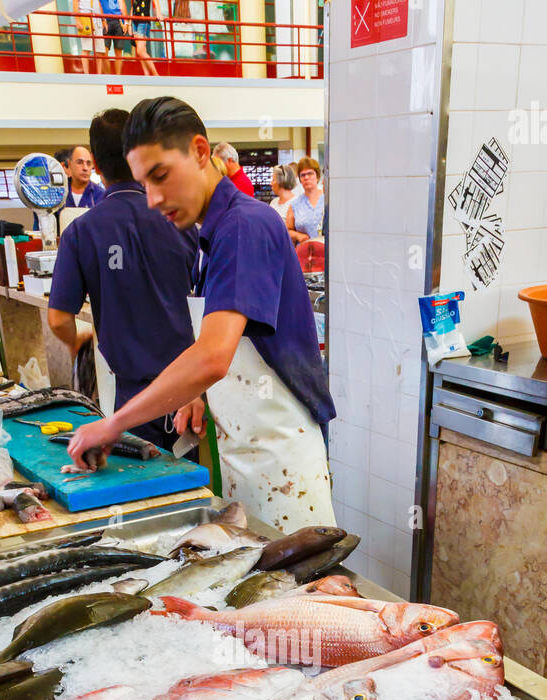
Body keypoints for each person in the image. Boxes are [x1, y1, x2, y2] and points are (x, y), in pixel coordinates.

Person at [66, 96, 336, 530]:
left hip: (282, 460)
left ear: (199, 151)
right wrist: (200, 394)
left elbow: (213, 355)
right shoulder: (208, 235)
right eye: (143, 183)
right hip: (243, 453)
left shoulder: (244, 225)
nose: (152, 199)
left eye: (160, 176)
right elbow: (236, 342)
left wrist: (113, 424)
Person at [48, 108, 198, 452]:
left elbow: (58, 320)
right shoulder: (182, 220)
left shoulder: (81, 232)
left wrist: (78, 343)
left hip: (133, 399)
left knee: (147, 494)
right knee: (196, 490)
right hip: (191, 391)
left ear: (96, 166)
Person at [286, 157, 324, 246]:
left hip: (325, 253)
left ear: (317, 177)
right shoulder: (295, 205)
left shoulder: (327, 200)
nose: (306, 177)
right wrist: (297, 235)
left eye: (310, 174)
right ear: (299, 179)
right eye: (302, 175)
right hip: (304, 254)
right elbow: (287, 230)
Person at [123, 0, 159, 76]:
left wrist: (158, 13)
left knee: (140, 51)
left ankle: (156, 74)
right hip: (134, 21)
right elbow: (133, 6)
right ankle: (146, 74)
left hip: (144, 21)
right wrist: (130, 24)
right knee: (142, 50)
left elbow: (156, 1)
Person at [99, 0, 126, 73]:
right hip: (106, 20)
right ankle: (108, 77)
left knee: (118, 52)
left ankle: (117, 77)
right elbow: (98, 4)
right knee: (104, 52)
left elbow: (122, 3)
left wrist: (125, 22)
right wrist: (102, 20)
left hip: (118, 20)